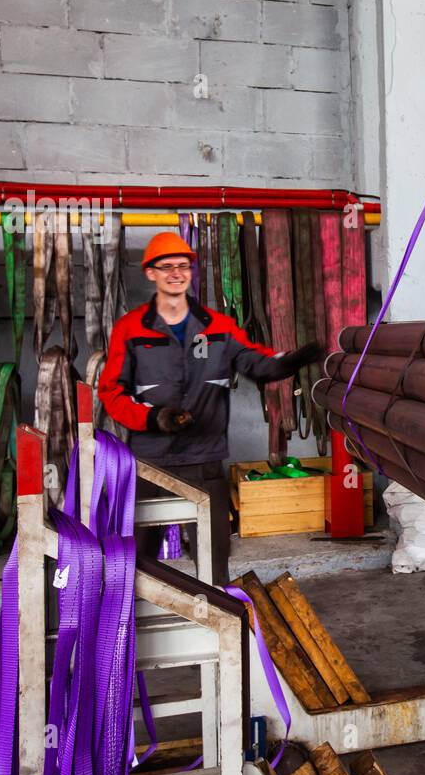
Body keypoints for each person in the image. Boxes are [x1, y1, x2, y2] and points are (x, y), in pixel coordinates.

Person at [98, 230, 322, 585]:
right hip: (149, 464)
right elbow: (111, 392)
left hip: (205, 462)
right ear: (150, 273)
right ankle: (133, 631)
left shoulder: (217, 328)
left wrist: (286, 364)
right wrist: (154, 418)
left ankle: (216, 628)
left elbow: (253, 361)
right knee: (137, 560)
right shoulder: (131, 329)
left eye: (183, 266)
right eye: (166, 266)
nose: (176, 273)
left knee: (215, 556)